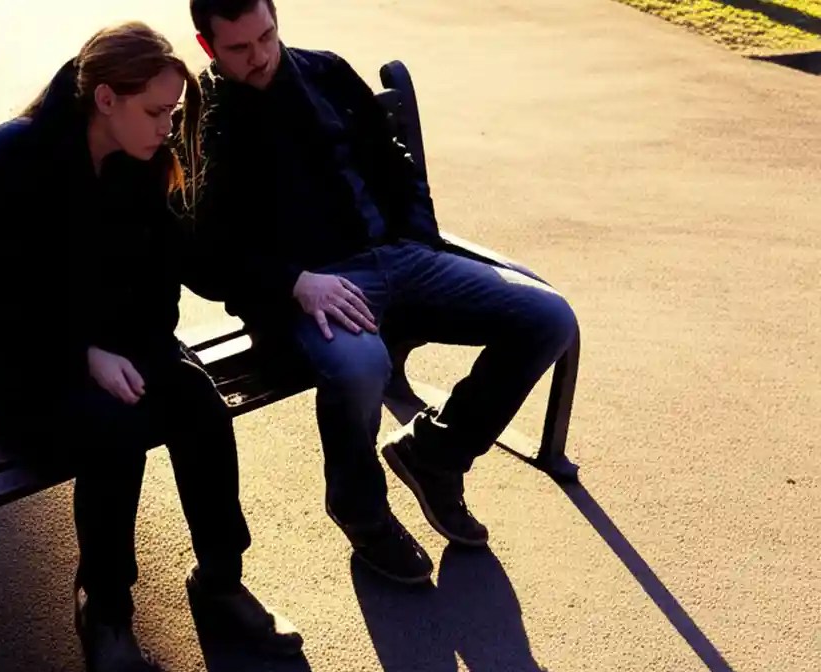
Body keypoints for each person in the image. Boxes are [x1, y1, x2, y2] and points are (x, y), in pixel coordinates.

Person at [0, 21, 302, 672]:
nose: (167, 128)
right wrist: (82, 352)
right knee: (116, 430)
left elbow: (172, 274)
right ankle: (104, 611)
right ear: (105, 98)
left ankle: (220, 578)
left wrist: (286, 284)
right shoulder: (9, 158)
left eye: (173, 113)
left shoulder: (144, 162)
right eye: (154, 113)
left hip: (125, 351)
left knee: (199, 404)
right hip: (28, 369)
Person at [187, 0, 580, 584]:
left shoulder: (324, 71)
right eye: (240, 49)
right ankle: (361, 508)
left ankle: (436, 454)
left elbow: (396, 168)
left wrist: (419, 240)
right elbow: (200, 249)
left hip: (401, 258)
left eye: (267, 36)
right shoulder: (201, 117)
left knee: (548, 317)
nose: (261, 55)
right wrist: (293, 282)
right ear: (207, 45)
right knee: (360, 365)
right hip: (308, 291)